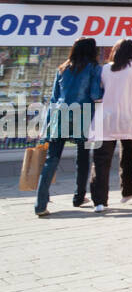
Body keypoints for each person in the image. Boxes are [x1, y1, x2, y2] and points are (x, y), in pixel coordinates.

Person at [34, 37, 103, 217]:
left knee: (52, 159)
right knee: (82, 157)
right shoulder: (94, 68)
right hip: (82, 115)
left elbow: (53, 98)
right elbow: (95, 93)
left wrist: (46, 125)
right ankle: (78, 197)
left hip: (59, 114)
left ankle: (40, 204)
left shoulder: (62, 68)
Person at [89, 40, 132, 211]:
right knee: (128, 156)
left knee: (101, 160)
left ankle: (99, 201)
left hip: (106, 118)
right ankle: (128, 190)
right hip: (131, 117)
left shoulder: (106, 69)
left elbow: (100, 91)